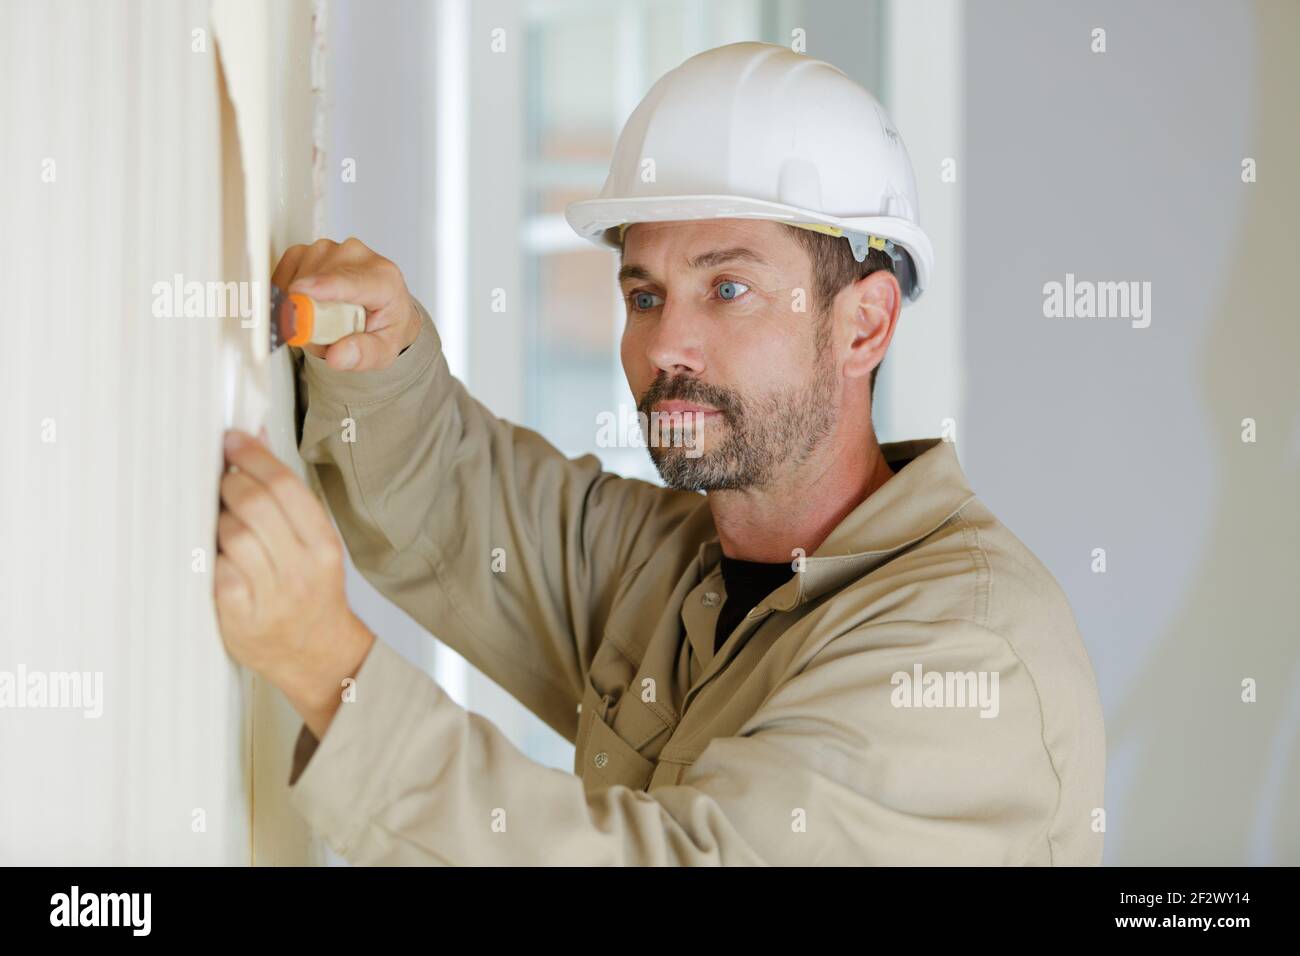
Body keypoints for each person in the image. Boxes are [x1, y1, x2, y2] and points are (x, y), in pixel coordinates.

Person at [214, 42, 1105, 865]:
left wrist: (329, 670)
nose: (666, 345)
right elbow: (453, 507)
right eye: (645, 296)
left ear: (863, 324)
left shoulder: (962, 653)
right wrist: (380, 357)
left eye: (728, 288)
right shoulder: (682, 569)